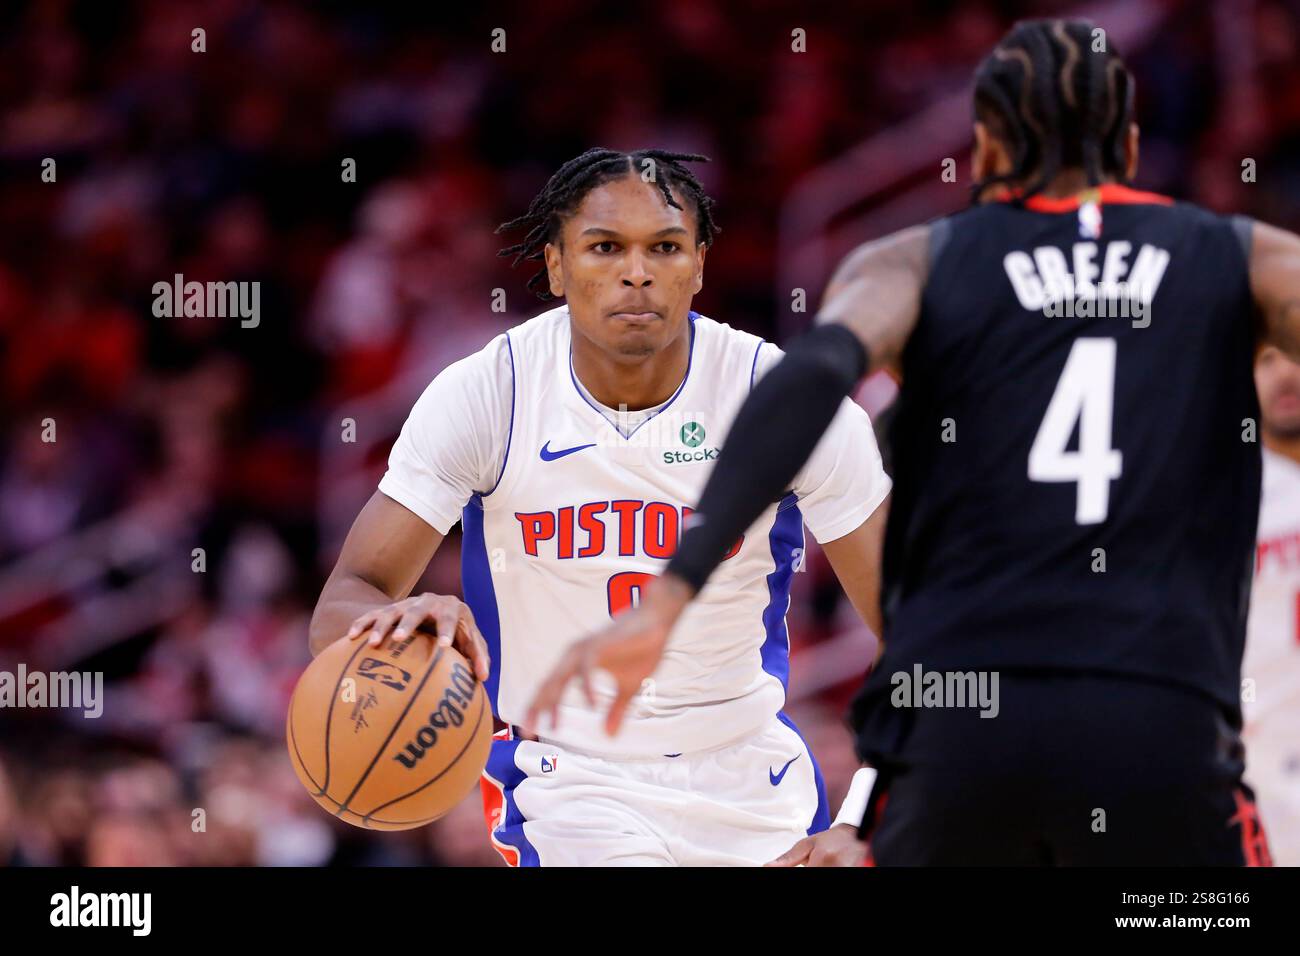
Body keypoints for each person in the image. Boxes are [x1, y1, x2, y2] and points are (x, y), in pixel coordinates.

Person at [528, 19, 1300, 866]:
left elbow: (810, 381)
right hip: (1161, 716)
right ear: (1132, 143)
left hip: (965, 721)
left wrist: (676, 588)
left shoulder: (914, 262)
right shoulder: (1242, 257)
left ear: (986, 145)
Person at [309, 148, 892, 866]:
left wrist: (865, 818)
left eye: (666, 248)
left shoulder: (787, 399)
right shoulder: (488, 393)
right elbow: (344, 598)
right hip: (570, 784)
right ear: (555, 264)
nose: (636, 271)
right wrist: (395, 623)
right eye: (605, 247)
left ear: (700, 265)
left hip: (753, 777)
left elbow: (921, 632)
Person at [1243, 346, 1300, 865]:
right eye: (1266, 360)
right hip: (1249, 770)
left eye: (1295, 353)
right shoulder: (1224, 490)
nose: (1285, 372)